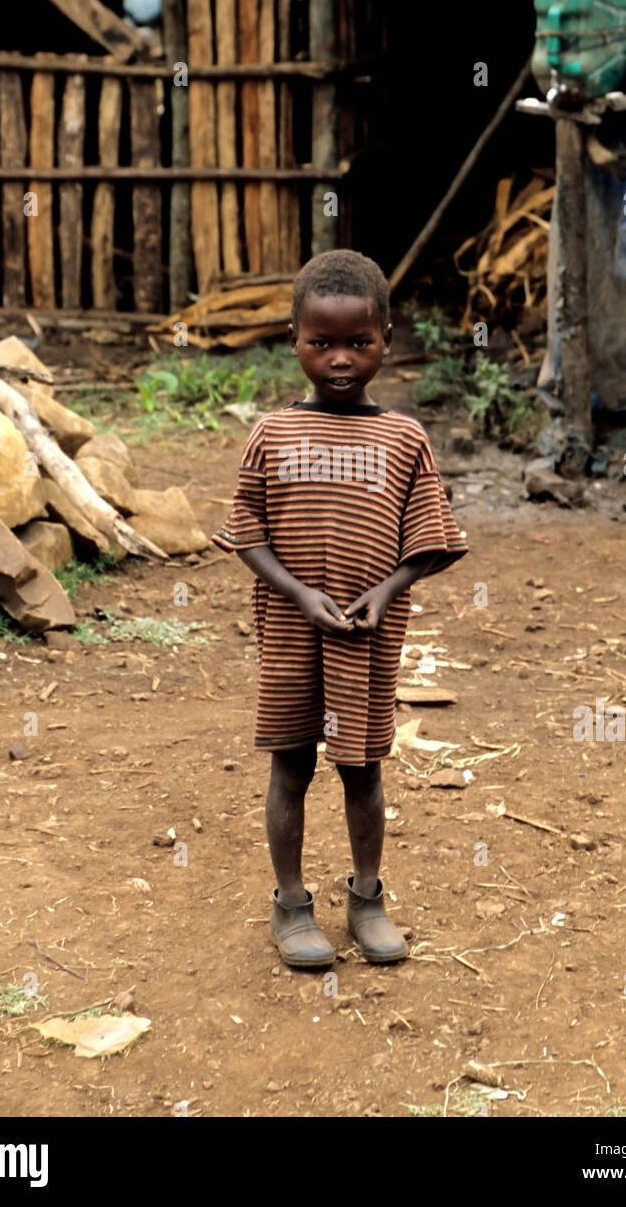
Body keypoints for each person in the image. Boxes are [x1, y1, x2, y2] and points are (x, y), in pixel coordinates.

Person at [213, 249, 468, 968]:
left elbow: (431, 539)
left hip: (366, 637)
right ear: (294, 340)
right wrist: (298, 592)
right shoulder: (272, 433)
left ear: (386, 338)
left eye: (360, 342)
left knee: (362, 769)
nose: (341, 359)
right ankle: (291, 905)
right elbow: (247, 532)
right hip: (292, 631)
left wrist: (384, 593)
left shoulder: (403, 438)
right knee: (290, 765)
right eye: (320, 343)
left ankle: (366, 898)